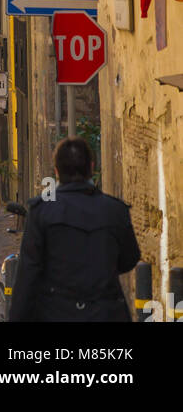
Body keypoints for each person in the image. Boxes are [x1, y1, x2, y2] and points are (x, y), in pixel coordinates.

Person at [9, 136, 140, 323]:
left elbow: (28, 275)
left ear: (56, 171)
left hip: (56, 312)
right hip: (106, 312)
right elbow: (130, 258)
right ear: (92, 168)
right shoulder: (115, 210)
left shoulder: (42, 211)